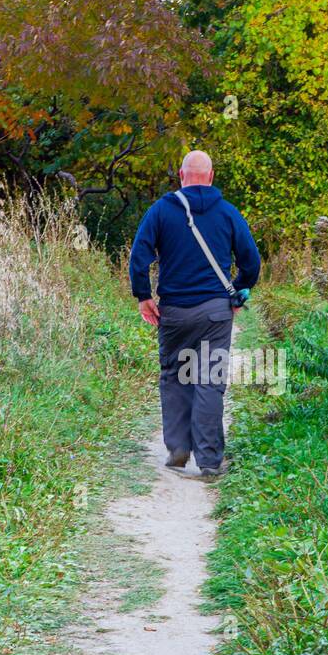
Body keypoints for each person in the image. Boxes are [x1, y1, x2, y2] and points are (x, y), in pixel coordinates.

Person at [128, 150, 261, 478]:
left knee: (175, 377)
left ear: (181, 175)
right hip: (216, 312)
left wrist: (144, 296)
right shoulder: (228, 212)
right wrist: (239, 290)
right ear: (211, 176)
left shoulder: (161, 211)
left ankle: (178, 450)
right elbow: (251, 261)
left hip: (173, 312)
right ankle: (210, 461)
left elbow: (139, 255)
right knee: (209, 381)